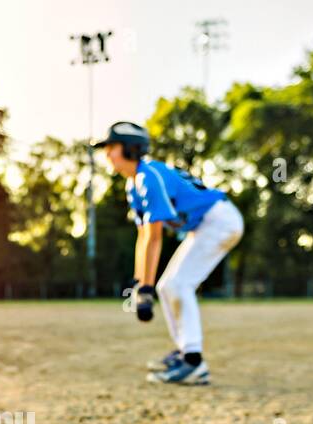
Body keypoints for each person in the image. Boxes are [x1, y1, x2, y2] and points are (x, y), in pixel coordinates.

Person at [95, 121, 244, 386]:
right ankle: (186, 352)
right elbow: (143, 236)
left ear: (130, 149)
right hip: (206, 225)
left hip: (220, 220)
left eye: (112, 147)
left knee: (178, 284)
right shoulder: (134, 185)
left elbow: (155, 237)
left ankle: (193, 362)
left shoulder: (147, 178)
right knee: (168, 286)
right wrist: (141, 282)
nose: (107, 154)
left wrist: (145, 289)